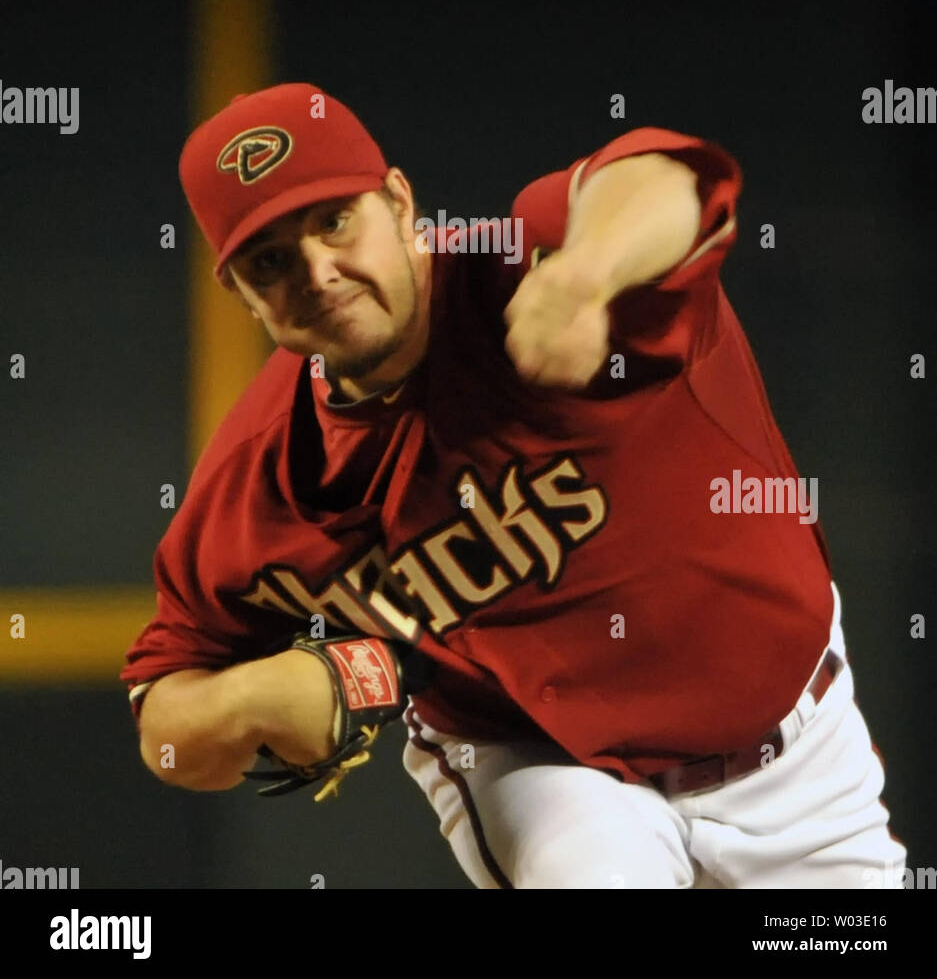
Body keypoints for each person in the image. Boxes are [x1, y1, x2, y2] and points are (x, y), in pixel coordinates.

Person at [122, 81, 906, 889]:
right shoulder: (267, 475)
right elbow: (167, 720)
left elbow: (671, 178)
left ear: (398, 201)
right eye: (272, 260)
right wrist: (246, 698)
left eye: (334, 221)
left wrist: (587, 274)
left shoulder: (523, 262)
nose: (319, 272)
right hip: (546, 769)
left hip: (800, 756)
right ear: (241, 295)